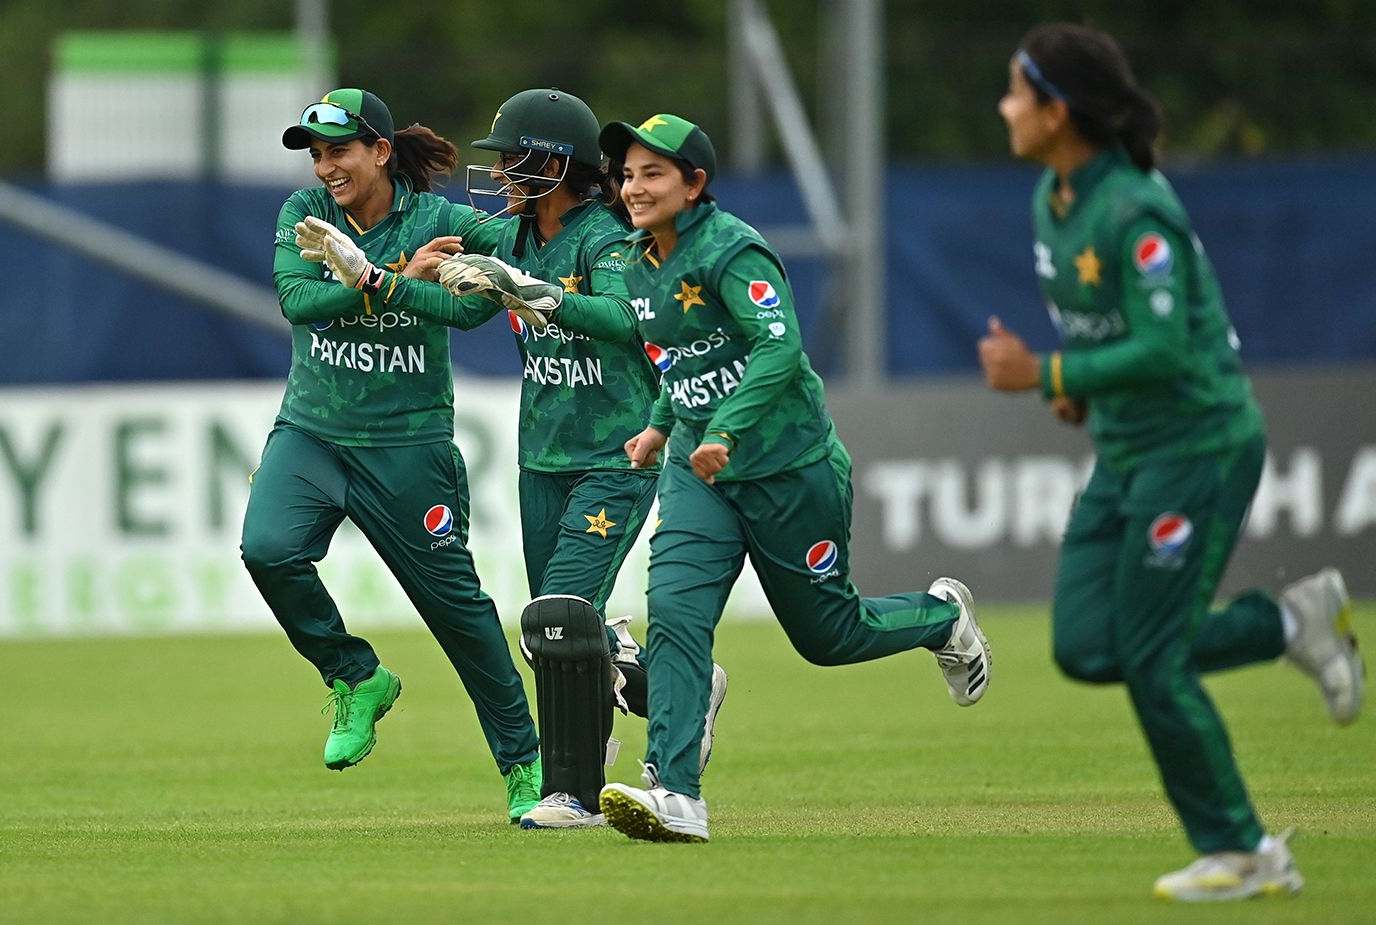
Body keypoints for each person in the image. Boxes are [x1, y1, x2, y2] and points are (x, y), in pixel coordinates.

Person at [980, 23, 1364, 902]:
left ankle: (1244, 850)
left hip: (1199, 447)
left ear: (1058, 109)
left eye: (1014, 91)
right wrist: (1074, 389)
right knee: (1085, 643)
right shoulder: (1054, 200)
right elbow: (1106, 333)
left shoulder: (1135, 208)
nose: (1003, 107)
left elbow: (1161, 346)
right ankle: (1285, 624)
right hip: (1124, 453)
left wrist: (1045, 373)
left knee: (1154, 659)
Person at [572, 113, 991, 843]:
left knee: (827, 634)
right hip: (700, 474)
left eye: (652, 174)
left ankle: (941, 616)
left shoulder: (732, 250)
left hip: (787, 469)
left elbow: (778, 348)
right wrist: (663, 426)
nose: (633, 188)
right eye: (628, 174)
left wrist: (727, 430)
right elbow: (682, 355)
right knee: (672, 610)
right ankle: (676, 792)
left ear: (694, 183)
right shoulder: (638, 260)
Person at [239, 87, 543, 824]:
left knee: (457, 613)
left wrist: (472, 273)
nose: (325, 167)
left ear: (379, 151)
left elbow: (498, 275)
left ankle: (527, 764)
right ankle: (356, 675)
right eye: (316, 154)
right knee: (267, 548)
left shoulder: (441, 219)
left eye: (339, 150)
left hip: (407, 445)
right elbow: (298, 301)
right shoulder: (301, 216)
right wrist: (396, 280)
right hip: (312, 430)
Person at [432, 88, 728, 829]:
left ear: (555, 163)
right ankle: (661, 681)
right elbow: (468, 301)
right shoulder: (517, 234)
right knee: (556, 626)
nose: (499, 174)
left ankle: (573, 790)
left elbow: (622, 320)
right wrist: (384, 281)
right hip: (543, 455)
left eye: (512, 160)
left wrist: (534, 294)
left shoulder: (606, 235)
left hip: (615, 450)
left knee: (560, 614)